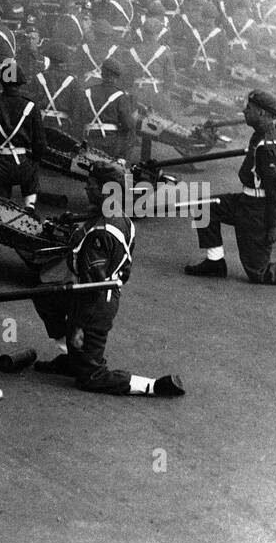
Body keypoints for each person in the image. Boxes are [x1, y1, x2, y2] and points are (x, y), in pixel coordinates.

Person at [31, 167, 185, 397]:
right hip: (98, 291)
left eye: (91, 184)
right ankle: (73, 356)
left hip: (94, 302)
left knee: (91, 378)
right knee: (45, 295)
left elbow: (93, 285)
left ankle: (154, 385)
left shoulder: (101, 233)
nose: (86, 187)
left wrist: (79, 327)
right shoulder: (119, 216)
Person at [185, 91, 276, 285]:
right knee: (204, 206)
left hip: (257, 212)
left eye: (249, 108)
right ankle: (215, 263)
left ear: (262, 113)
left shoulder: (268, 146)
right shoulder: (261, 135)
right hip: (245, 201)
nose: (244, 111)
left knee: (259, 273)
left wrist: (274, 226)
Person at [0, 63, 44, 209]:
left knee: (0, 197)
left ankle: (1, 206)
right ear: (20, 83)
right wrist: (34, 159)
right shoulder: (30, 106)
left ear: (2, 82)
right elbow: (39, 143)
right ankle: (30, 206)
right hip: (22, 167)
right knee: (33, 167)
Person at [81, 57, 137, 162]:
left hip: (88, 140)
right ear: (117, 77)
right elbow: (128, 125)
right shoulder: (121, 96)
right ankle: (123, 164)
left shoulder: (88, 92)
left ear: (102, 74)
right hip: (110, 144)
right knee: (131, 133)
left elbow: (79, 117)